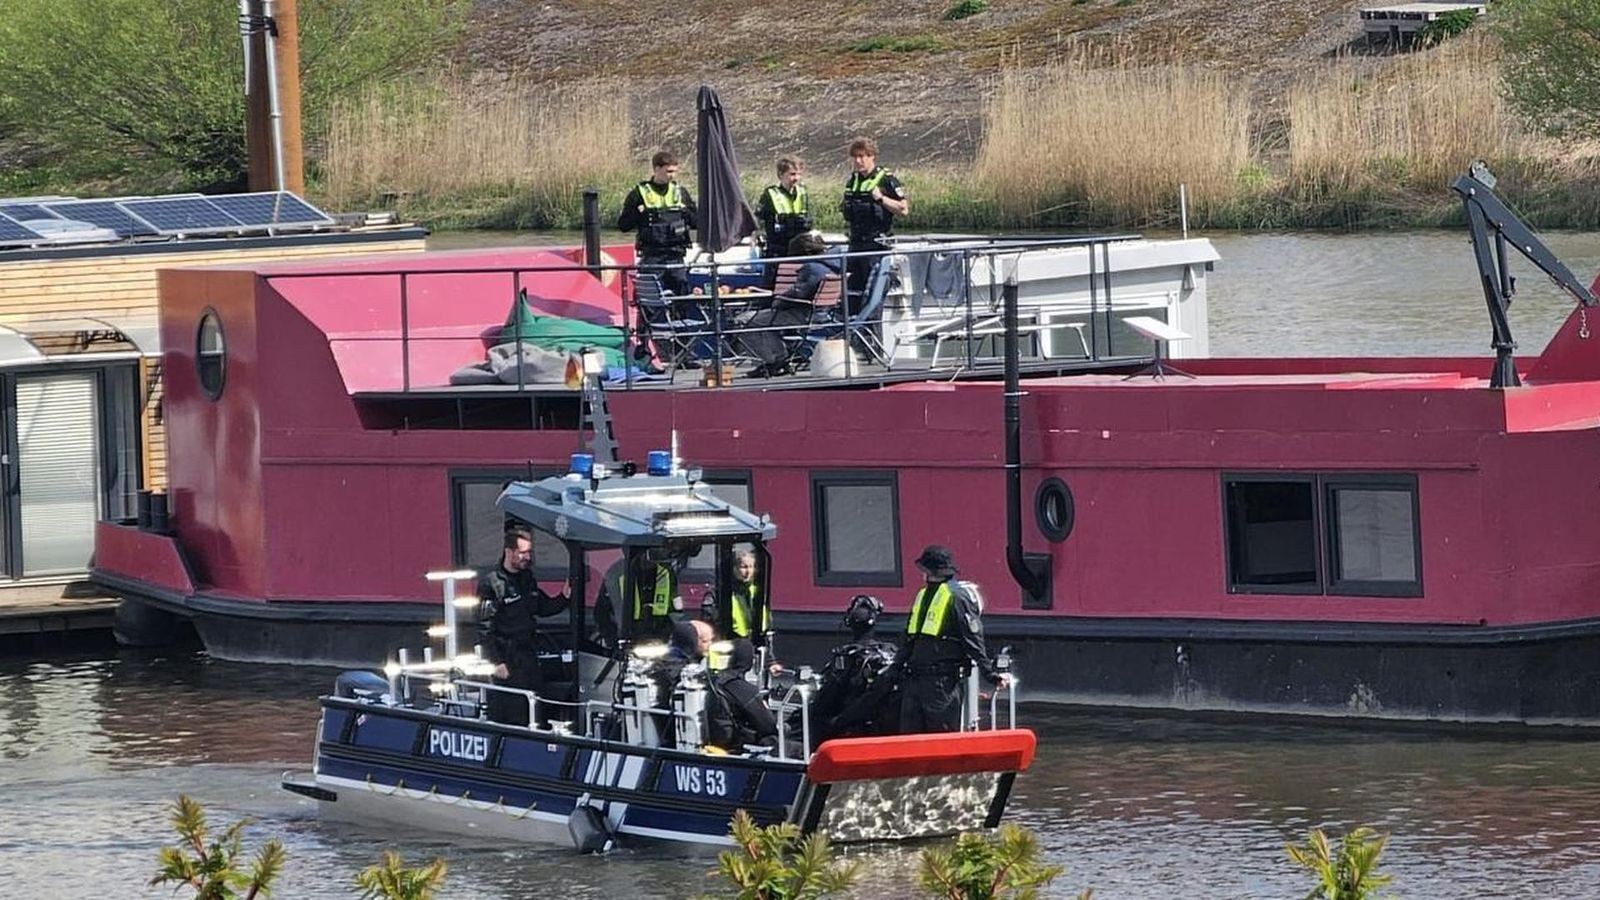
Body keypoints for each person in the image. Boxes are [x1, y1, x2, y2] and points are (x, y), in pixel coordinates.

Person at [896, 545, 1007, 734]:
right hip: (915, 680)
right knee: (910, 738)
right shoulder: (922, 596)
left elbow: (972, 639)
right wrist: (894, 669)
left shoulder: (958, 598)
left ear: (930, 571)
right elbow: (909, 638)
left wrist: (989, 673)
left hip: (942, 683)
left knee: (941, 737)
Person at [477, 528, 571, 725]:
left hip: (528, 653)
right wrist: (496, 661)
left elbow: (542, 607)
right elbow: (485, 628)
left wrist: (564, 597)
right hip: (507, 656)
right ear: (509, 552)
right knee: (514, 709)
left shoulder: (527, 579)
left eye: (529, 553)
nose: (527, 557)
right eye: (523, 553)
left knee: (536, 705)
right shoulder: (492, 583)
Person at [741, 232, 841, 378]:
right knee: (763, 323)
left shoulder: (811, 268)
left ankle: (774, 362)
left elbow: (798, 292)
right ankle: (779, 360)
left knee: (744, 320)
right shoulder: (833, 265)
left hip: (801, 315)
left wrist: (779, 300)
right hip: (822, 314)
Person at [811, 594, 900, 740]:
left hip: (847, 727)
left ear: (849, 623)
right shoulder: (891, 652)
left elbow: (826, 700)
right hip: (882, 727)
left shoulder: (846, 658)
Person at [839, 137, 908, 313]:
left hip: (876, 245)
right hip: (855, 245)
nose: (858, 161)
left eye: (862, 156)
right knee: (851, 294)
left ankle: (872, 333)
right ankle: (852, 331)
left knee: (873, 296)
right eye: (855, 157)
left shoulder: (886, 179)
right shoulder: (852, 180)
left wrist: (881, 199)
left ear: (872, 157)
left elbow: (903, 209)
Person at [618, 150, 700, 297]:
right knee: (649, 298)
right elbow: (623, 226)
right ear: (656, 169)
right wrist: (639, 213)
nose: (672, 176)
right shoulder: (639, 193)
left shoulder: (680, 193)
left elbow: (696, 222)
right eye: (668, 171)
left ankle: (681, 319)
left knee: (682, 298)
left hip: (676, 255)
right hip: (652, 256)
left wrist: (685, 212)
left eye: (674, 172)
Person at [594, 548, 686, 648]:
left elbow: (676, 608)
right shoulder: (617, 573)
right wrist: (613, 641)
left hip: (660, 641)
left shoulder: (666, 572)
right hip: (627, 640)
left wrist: (672, 635)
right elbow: (601, 612)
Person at [705, 638, 780, 750]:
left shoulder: (714, 681)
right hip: (740, 742)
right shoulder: (743, 689)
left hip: (721, 737)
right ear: (750, 660)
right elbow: (768, 725)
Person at [756, 156, 812, 278]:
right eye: (792, 174)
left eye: (798, 174)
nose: (796, 178)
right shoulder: (770, 194)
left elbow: (809, 218)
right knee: (774, 286)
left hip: (799, 251)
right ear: (781, 175)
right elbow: (758, 220)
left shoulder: (802, 193)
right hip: (778, 250)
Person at [726, 548, 772, 642]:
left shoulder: (758, 591)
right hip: (735, 643)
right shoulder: (726, 592)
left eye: (751, 567)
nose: (748, 572)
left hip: (758, 641)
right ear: (734, 568)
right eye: (744, 567)